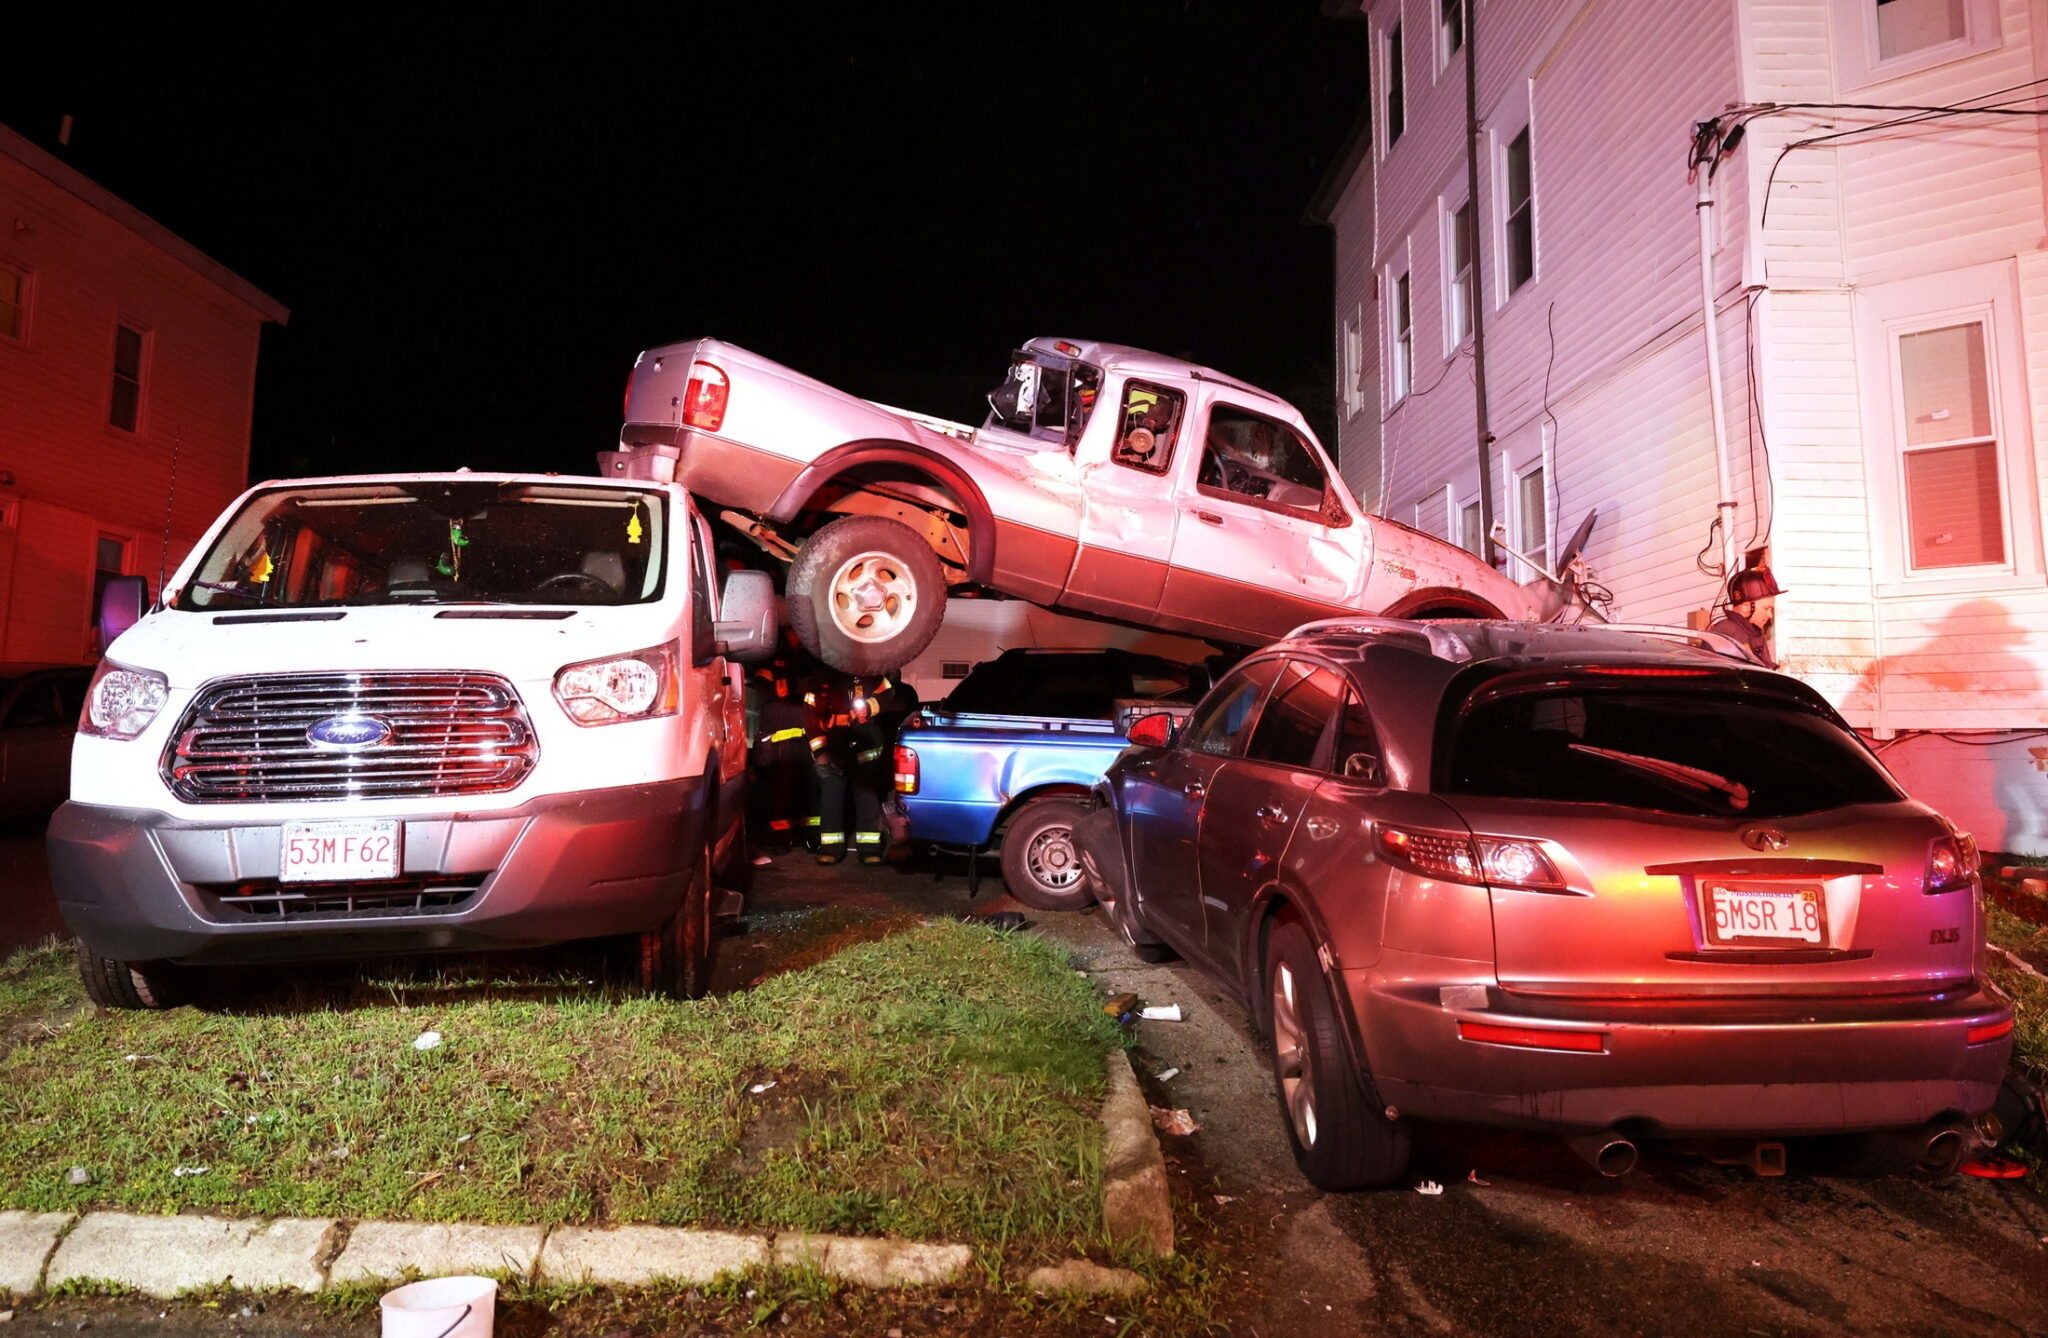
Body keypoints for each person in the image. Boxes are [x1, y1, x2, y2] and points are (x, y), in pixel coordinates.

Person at [808, 672, 899, 865]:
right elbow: (809, 715)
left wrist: (868, 707)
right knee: (831, 800)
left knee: (867, 799)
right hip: (833, 751)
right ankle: (831, 849)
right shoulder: (822, 678)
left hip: (864, 751)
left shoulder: (870, 675)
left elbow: (888, 693)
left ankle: (869, 850)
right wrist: (820, 751)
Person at [1709, 568, 1782, 669]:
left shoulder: (1754, 632)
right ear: (1746, 607)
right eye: (1766, 609)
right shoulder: (1727, 633)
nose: (1770, 615)